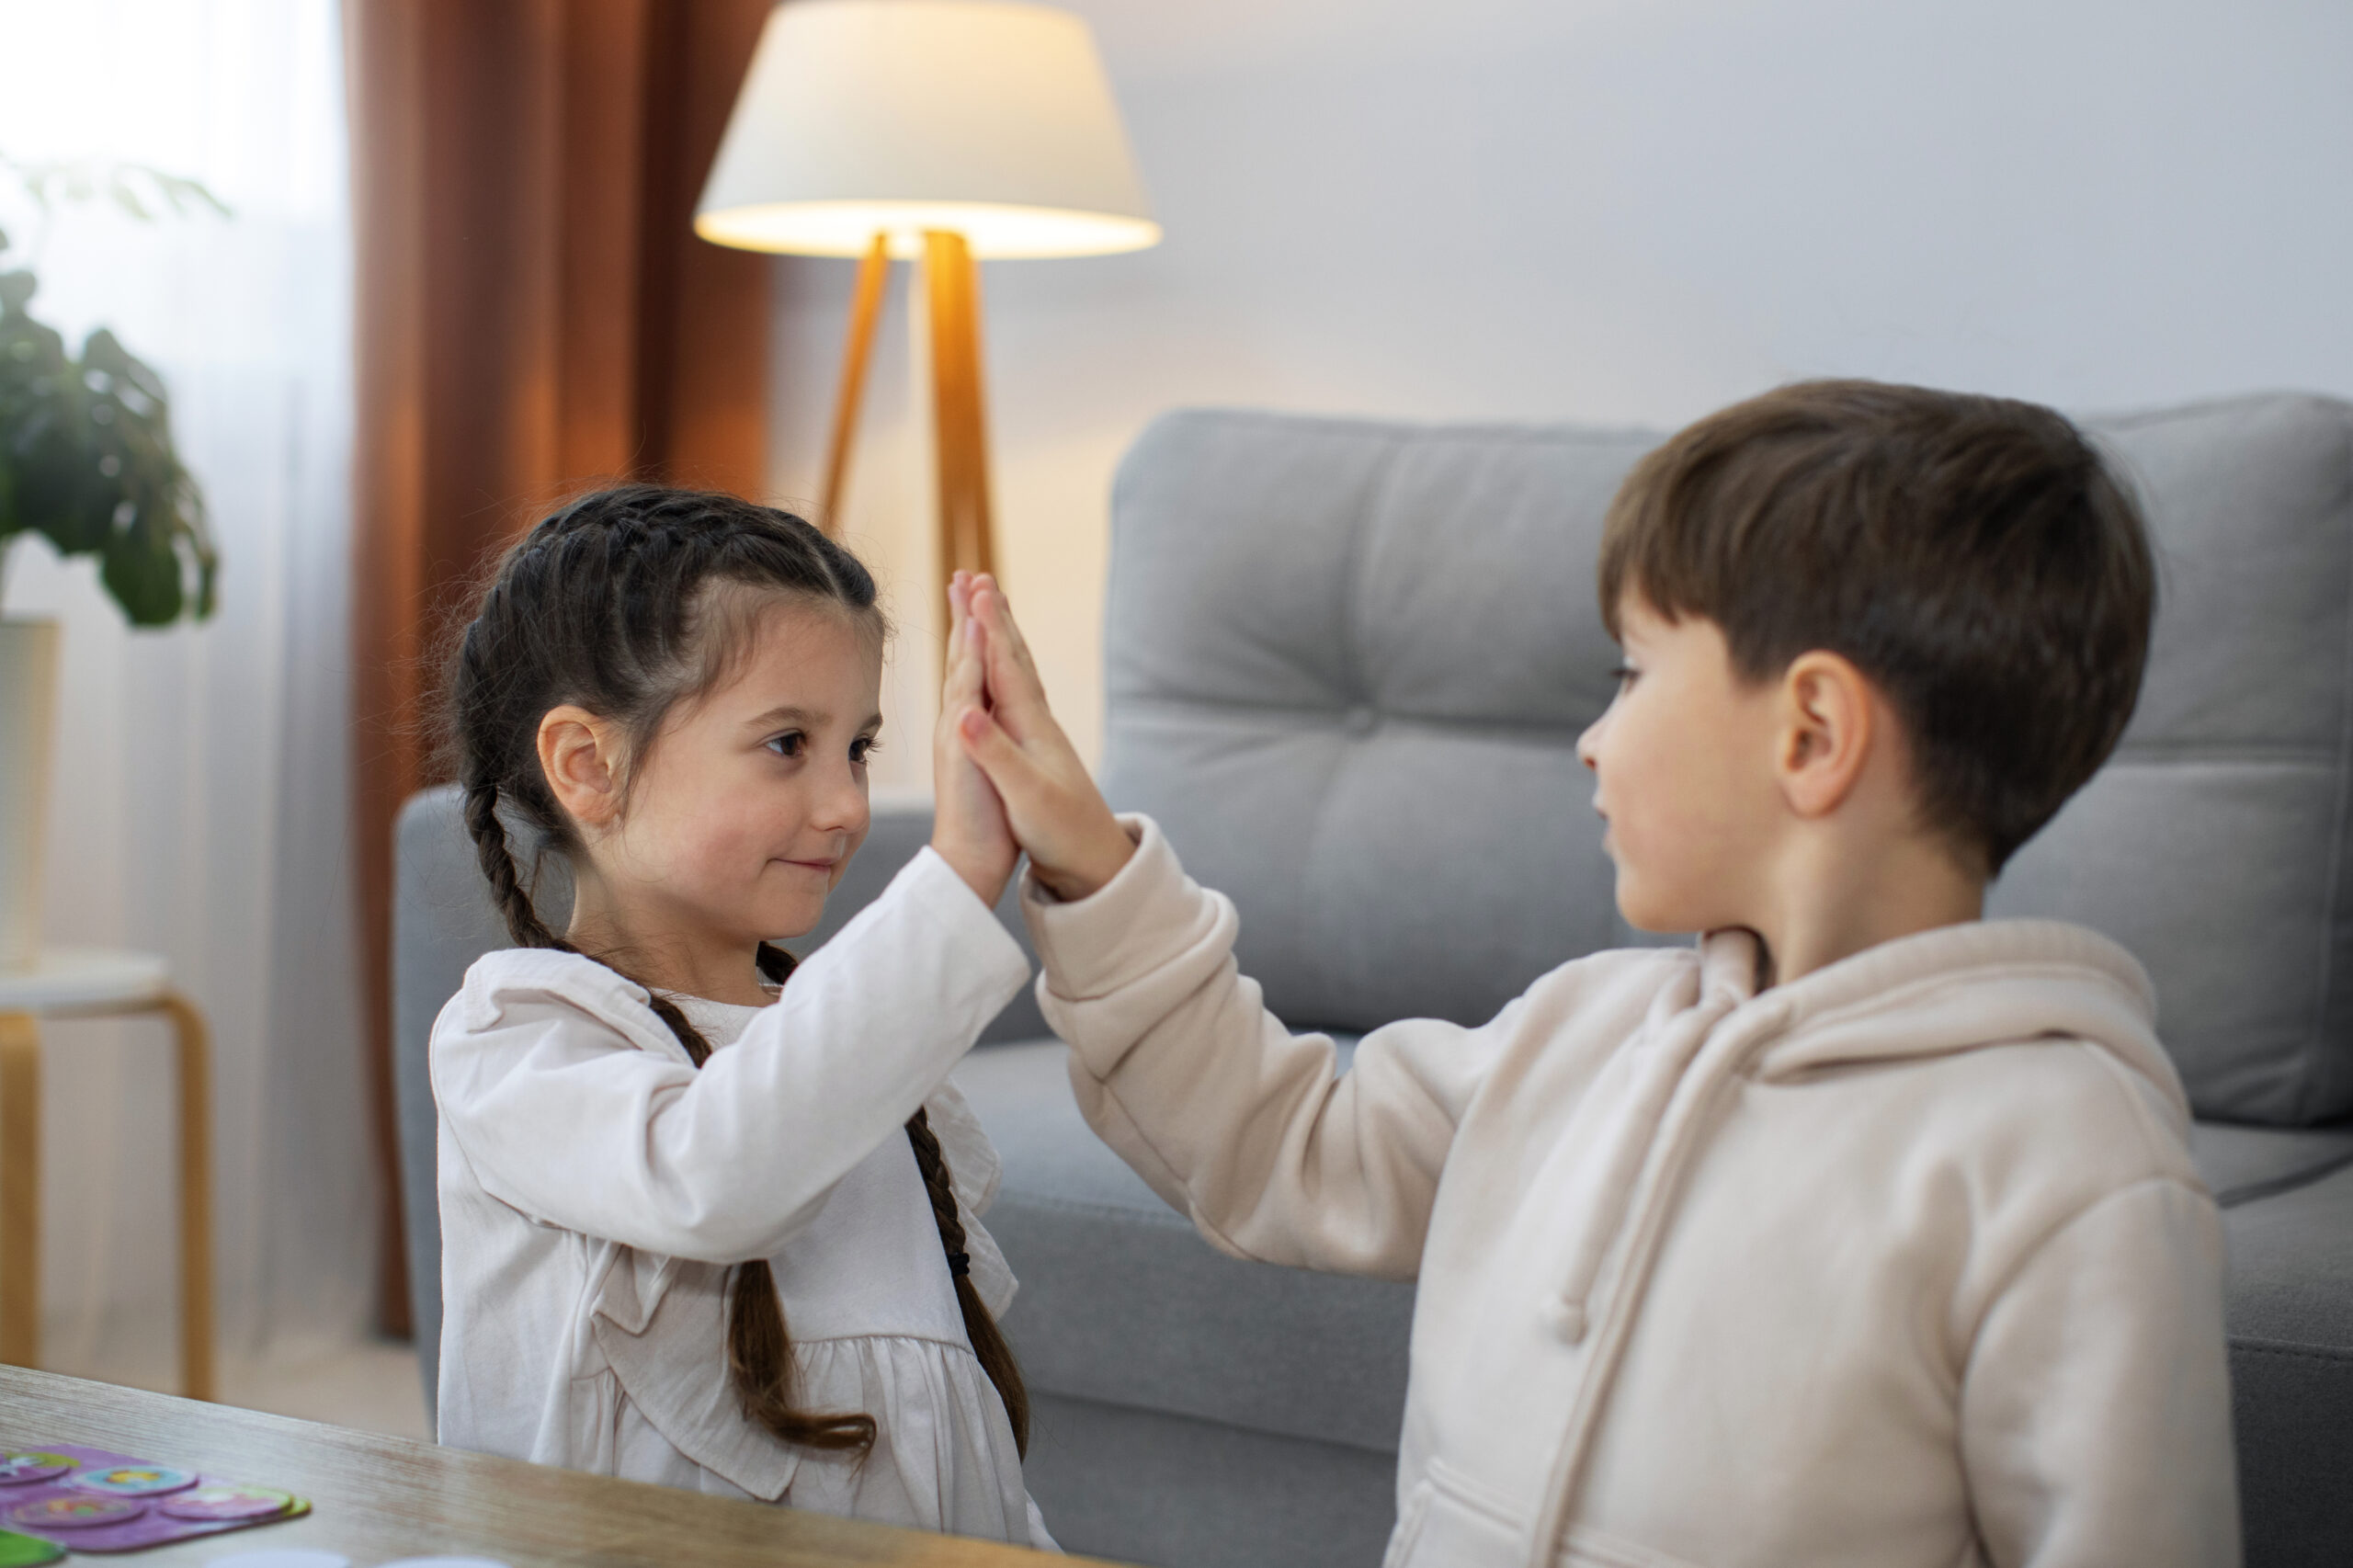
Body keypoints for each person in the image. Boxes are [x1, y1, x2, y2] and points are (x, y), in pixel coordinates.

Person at [950, 381, 2238, 1567]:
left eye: (1629, 672)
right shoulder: (1578, 1033)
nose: (1589, 740)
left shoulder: (2067, 1166)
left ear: (1811, 733)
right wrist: (1095, 870)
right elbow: (1284, 1137)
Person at [427, 486, 1053, 1549]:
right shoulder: (521, 1033)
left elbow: (950, 1427)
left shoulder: (834, 1046)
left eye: (857, 747)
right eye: (785, 744)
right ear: (588, 764)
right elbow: (712, 1177)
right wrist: (956, 875)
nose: (848, 803)